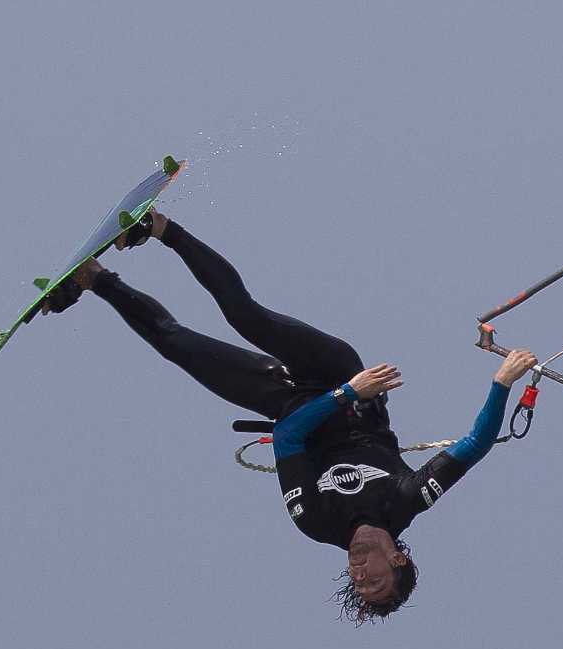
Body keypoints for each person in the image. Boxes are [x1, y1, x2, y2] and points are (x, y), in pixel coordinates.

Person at [40, 210, 537, 622]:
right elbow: (473, 447)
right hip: (337, 371)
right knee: (246, 316)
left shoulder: (315, 521)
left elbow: (289, 437)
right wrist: (501, 383)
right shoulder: (407, 500)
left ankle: (96, 280)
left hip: (298, 403)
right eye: (376, 579)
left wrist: (343, 396)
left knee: (176, 345)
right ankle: (160, 228)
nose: (360, 574)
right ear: (398, 558)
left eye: (358, 585)